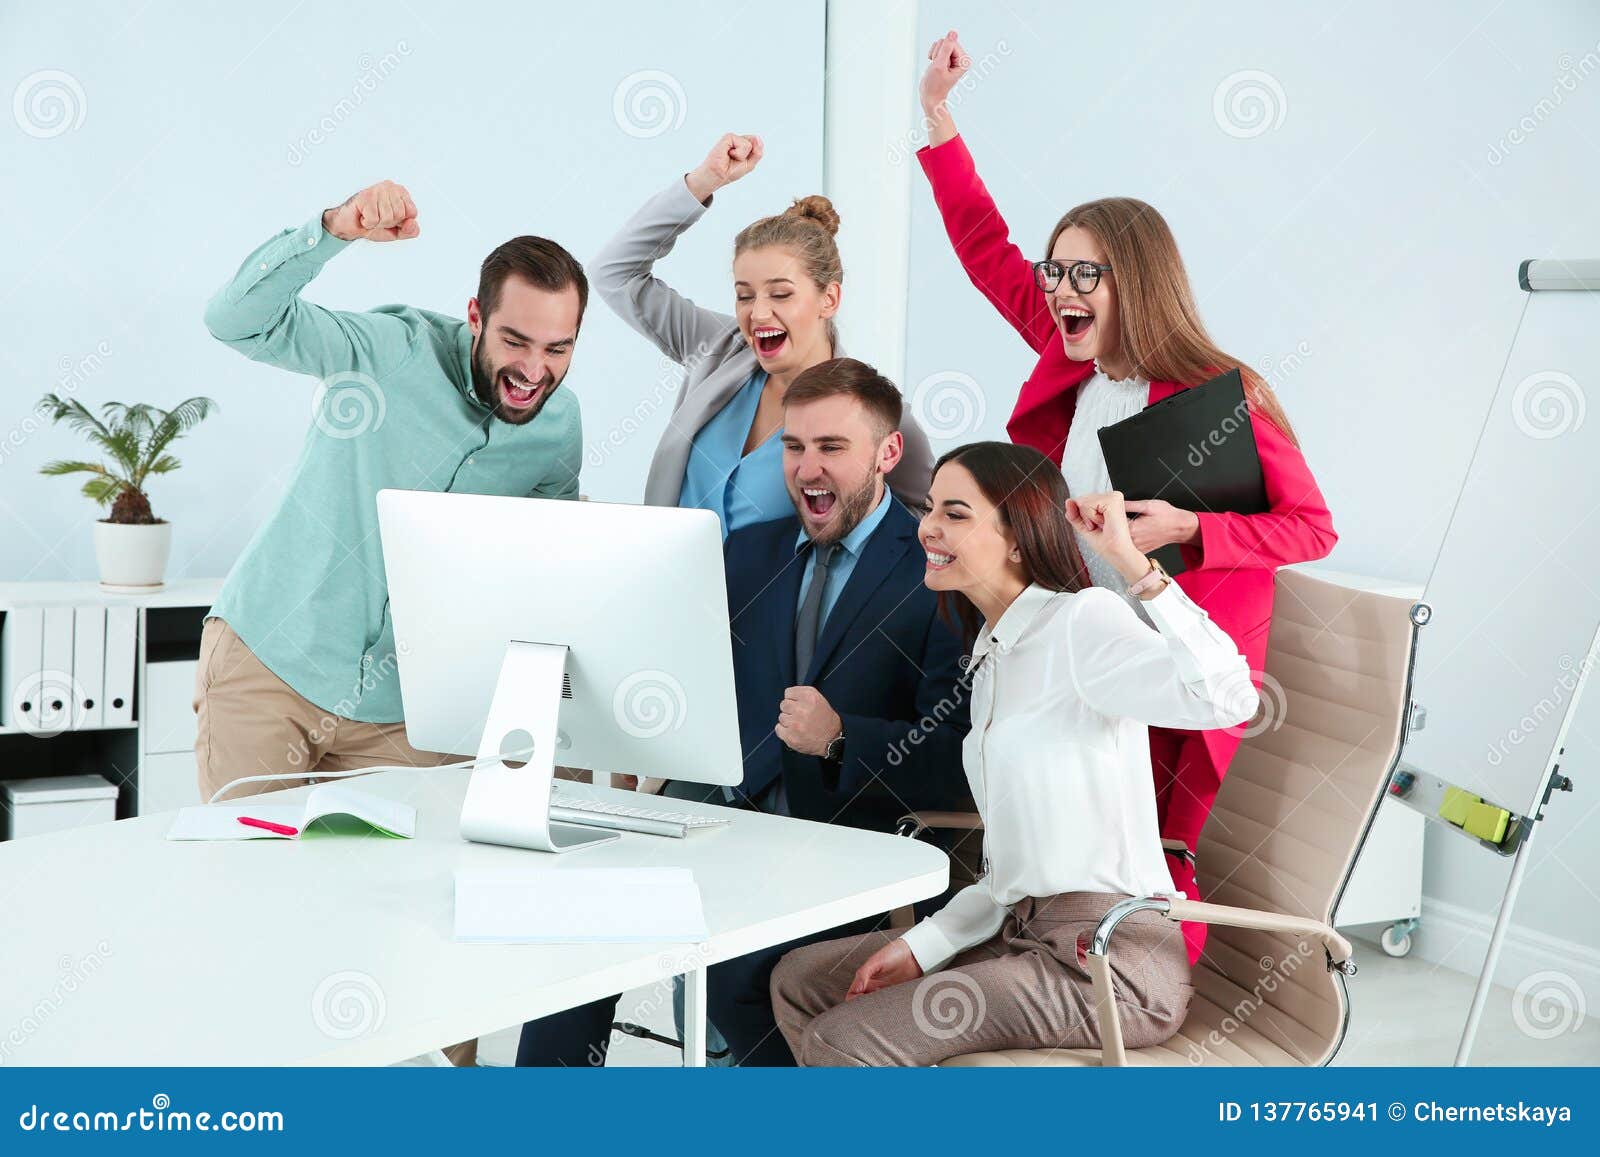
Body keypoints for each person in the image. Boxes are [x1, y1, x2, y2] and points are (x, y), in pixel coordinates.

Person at [914, 31, 1337, 958]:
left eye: (1084, 274)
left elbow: (1312, 528)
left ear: (1132, 283)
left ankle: (1151, 990)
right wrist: (940, 122)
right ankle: (1055, 968)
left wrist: (1190, 524)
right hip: (1080, 633)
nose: (1059, 288)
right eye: (1055, 271)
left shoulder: (1222, 392)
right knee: (1069, 824)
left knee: (1155, 835)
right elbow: (987, 248)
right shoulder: (1066, 345)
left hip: (1175, 633)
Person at [516, 358, 972, 1068]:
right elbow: (688, 675)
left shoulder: (937, 570)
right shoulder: (747, 551)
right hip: (723, 819)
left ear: (888, 454)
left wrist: (842, 738)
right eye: (793, 447)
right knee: (575, 929)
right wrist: (644, 740)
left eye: (831, 447)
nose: (806, 468)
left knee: (738, 971)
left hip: (844, 842)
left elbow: (959, 757)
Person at [770, 442, 1258, 1066]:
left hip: (1112, 962)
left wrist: (1134, 564)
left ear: (1019, 539)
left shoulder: (1082, 622)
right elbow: (1007, 876)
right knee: (802, 979)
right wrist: (922, 947)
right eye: (929, 509)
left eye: (956, 513)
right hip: (1020, 933)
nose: (927, 528)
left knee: (847, 1037)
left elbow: (1229, 697)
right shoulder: (993, 657)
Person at [196, 178, 587, 799]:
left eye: (557, 349)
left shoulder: (558, 426)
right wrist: (333, 230)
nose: (533, 370)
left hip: (401, 706)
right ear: (477, 316)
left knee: (395, 891)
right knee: (247, 879)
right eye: (515, 341)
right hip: (272, 661)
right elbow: (235, 323)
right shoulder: (390, 352)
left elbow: (536, 564)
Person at [588, 132, 935, 534]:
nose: (758, 313)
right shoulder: (720, 345)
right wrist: (704, 182)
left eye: (781, 294)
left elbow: (924, 517)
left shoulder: (871, 406)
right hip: (666, 588)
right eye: (744, 295)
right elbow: (614, 272)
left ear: (829, 298)